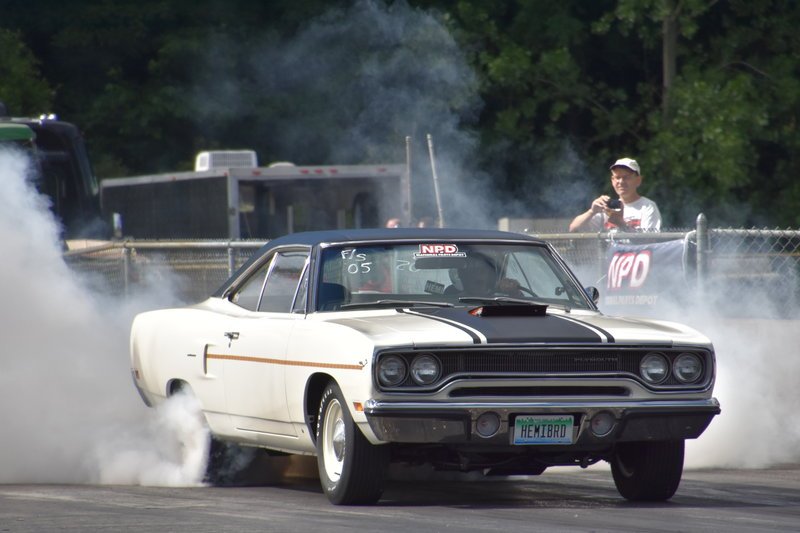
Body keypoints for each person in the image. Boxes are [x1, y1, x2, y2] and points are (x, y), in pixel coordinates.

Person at [569, 157, 662, 232]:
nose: (621, 182)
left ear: (638, 180)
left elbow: (650, 241)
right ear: (612, 180)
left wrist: (622, 224)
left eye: (626, 177)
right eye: (617, 177)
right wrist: (592, 211)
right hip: (609, 251)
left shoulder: (647, 206)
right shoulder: (607, 207)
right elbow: (573, 229)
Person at [445, 254, 523, 297]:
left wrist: (514, 291)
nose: (477, 275)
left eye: (482, 270)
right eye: (472, 271)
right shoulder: (451, 301)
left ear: (490, 276)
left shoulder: (502, 299)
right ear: (463, 275)